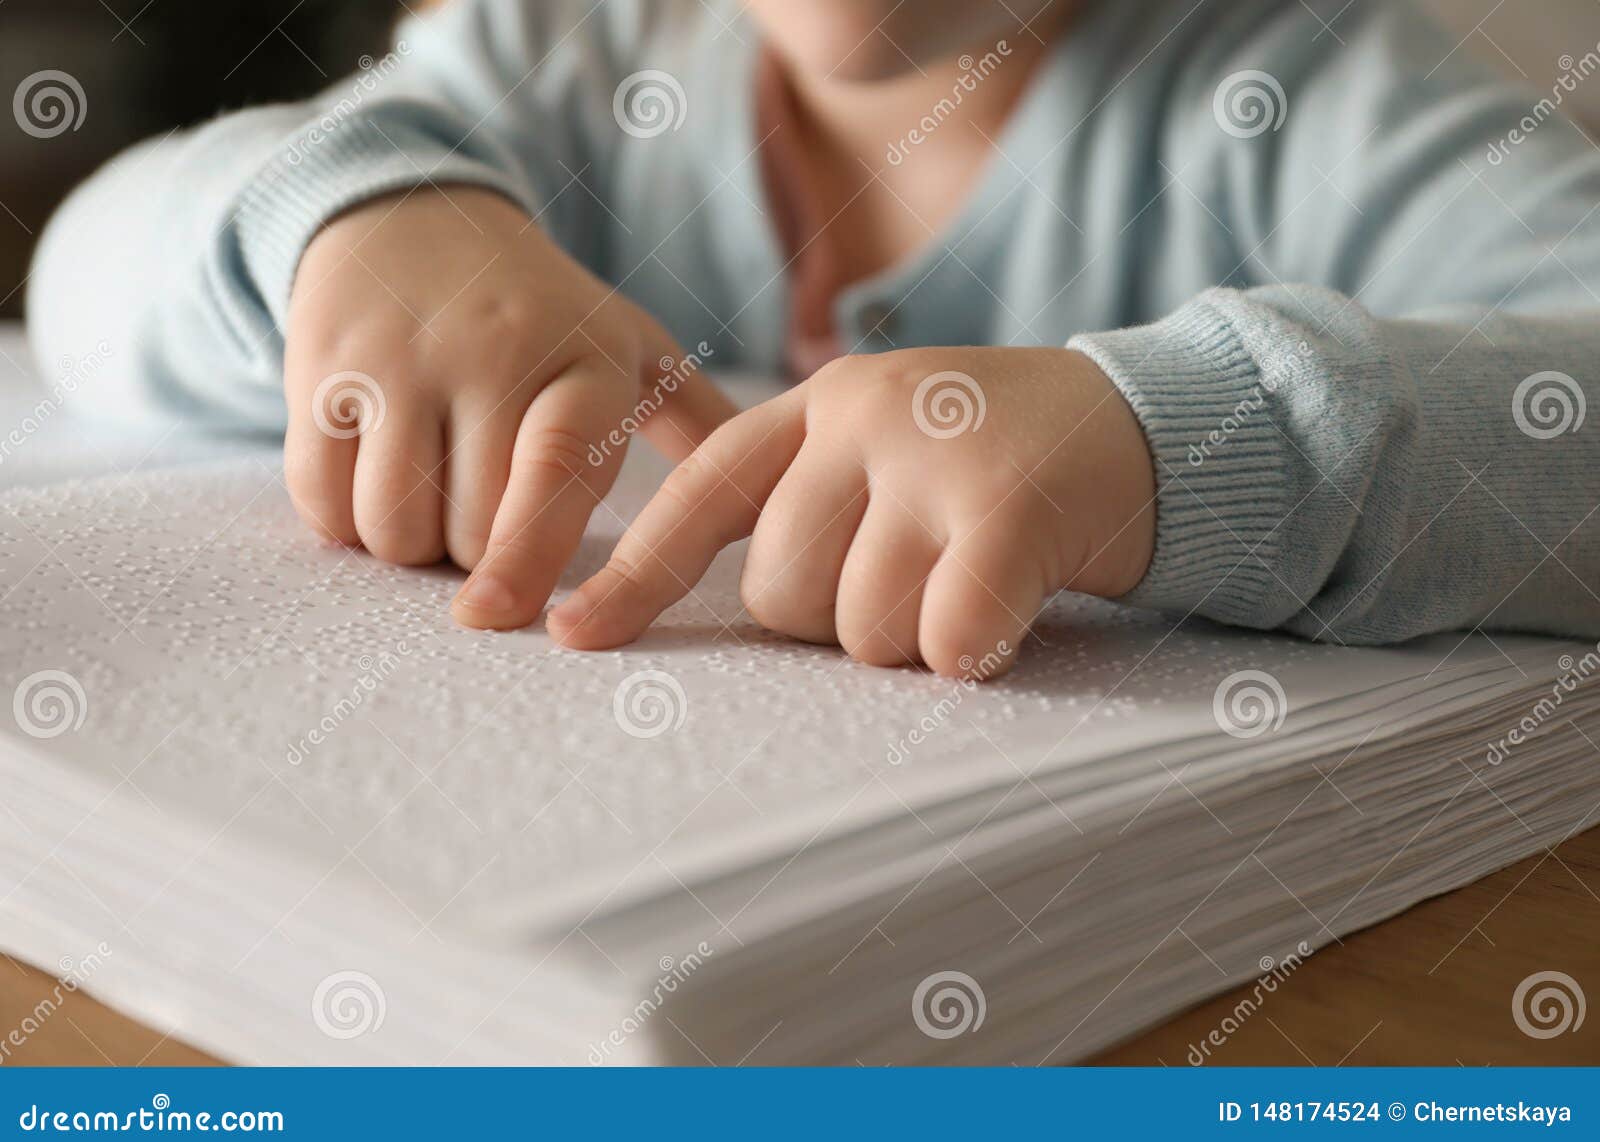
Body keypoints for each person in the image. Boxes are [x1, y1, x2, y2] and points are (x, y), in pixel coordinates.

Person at [28, 0, 1600, 678]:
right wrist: (342, 220)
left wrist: (1178, 436)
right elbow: (84, 286)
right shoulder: (553, 50)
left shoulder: (1308, 84)